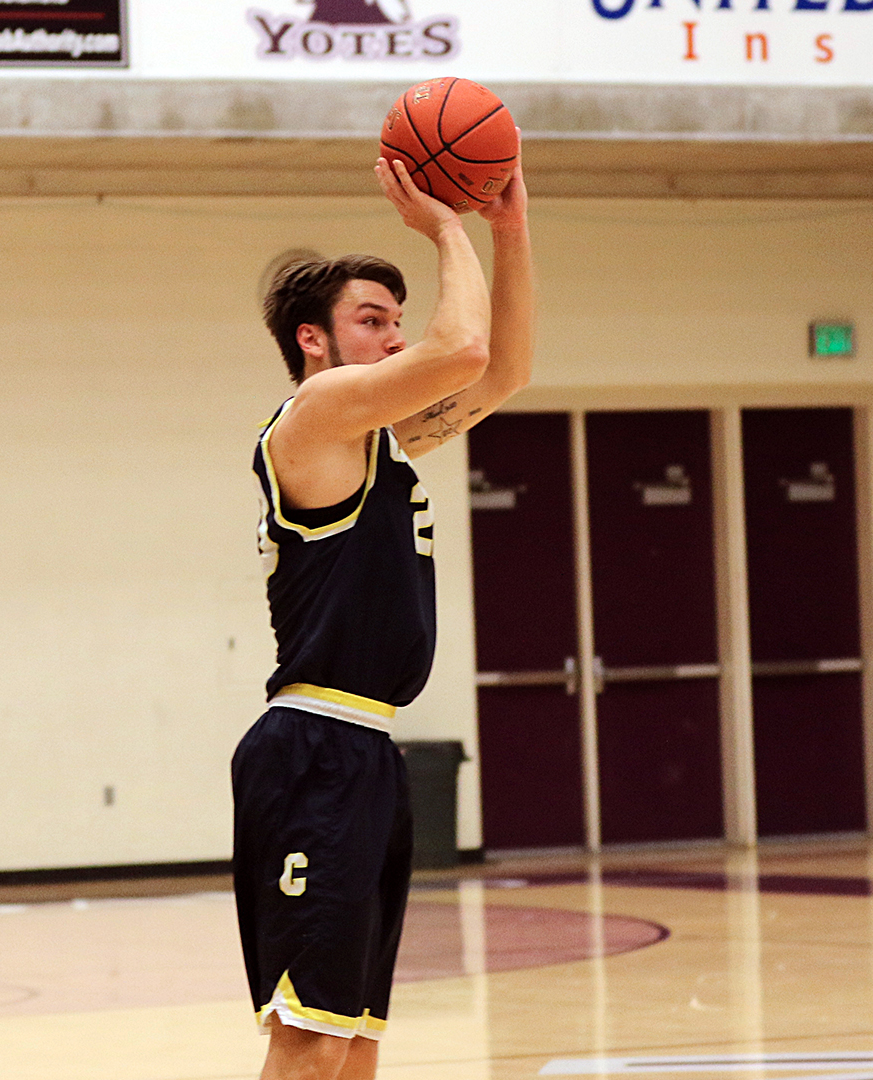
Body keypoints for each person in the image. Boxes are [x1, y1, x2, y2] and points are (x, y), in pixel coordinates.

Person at [234, 156, 532, 1080]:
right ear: (313, 340)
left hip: (367, 751)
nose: (397, 336)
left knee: (355, 1036)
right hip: (312, 749)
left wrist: (509, 226)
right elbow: (465, 351)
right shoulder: (314, 415)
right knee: (310, 1038)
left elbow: (505, 369)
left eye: (400, 320)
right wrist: (445, 226)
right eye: (373, 320)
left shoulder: (386, 443)